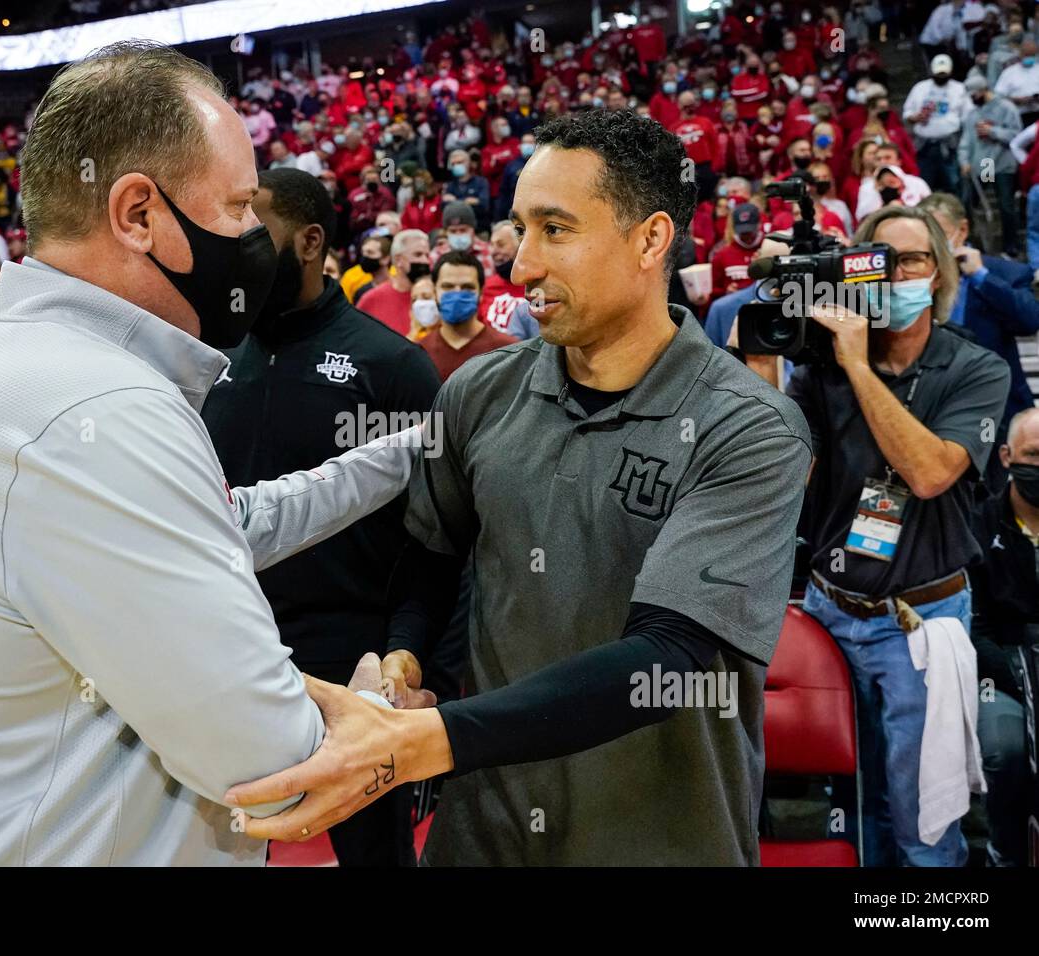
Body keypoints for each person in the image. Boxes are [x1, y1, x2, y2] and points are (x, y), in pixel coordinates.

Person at [0, 41, 418, 867]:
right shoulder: (98, 407)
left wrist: (419, 450)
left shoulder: (41, 367)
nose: (249, 237)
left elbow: (228, 522)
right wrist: (375, 702)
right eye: (237, 208)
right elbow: (274, 766)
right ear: (138, 215)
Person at [225, 109, 813, 866]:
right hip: (483, 831)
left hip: (661, 834)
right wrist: (404, 662)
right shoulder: (479, 392)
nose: (522, 266)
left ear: (651, 239)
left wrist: (428, 741)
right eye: (521, 230)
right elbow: (432, 558)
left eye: (555, 230)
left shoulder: (752, 429)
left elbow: (669, 656)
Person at [200, 168, 440, 866]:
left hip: (354, 663)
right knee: (222, 847)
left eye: (254, 225)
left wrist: (409, 652)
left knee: (375, 859)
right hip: (230, 652)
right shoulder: (208, 362)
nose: (236, 242)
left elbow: (436, 542)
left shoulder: (392, 365)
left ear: (308, 241)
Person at [784, 204, 1009, 866]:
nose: (898, 272)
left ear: (937, 271)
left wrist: (859, 367)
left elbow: (930, 472)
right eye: (881, 259)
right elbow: (784, 474)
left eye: (912, 259)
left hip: (921, 620)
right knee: (853, 804)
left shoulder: (977, 368)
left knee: (923, 819)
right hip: (830, 612)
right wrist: (767, 363)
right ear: (857, 272)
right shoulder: (820, 368)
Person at [921, 192, 1039, 490]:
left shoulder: (1003, 273)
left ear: (962, 230)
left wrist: (981, 276)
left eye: (940, 233)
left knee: (994, 496)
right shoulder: (914, 273)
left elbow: (1030, 319)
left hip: (997, 408)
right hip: (932, 403)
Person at [968, 406, 1039, 867]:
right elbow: (971, 625)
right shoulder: (978, 523)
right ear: (1008, 456)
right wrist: (1018, 676)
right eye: (1034, 454)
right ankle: (1006, 853)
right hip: (1000, 669)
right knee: (1008, 749)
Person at [417, 250, 517, 382]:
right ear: (435, 292)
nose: (457, 294)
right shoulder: (419, 353)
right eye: (448, 286)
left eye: (467, 287)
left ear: (481, 294)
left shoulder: (508, 351)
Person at [957, 75, 1022, 256]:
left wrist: (993, 131)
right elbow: (966, 141)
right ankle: (975, 242)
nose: (972, 99)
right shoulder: (973, 114)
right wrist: (964, 161)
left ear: (984, 91)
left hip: (1002, 162)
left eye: (975, 95)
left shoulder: (1006, 108)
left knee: (1005, 205)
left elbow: (1016, 135)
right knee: (971, 202)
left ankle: (1011, 244)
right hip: (984, 165)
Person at [904, 54, 970, 195]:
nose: (941, 76)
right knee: (925, 184)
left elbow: (967, 116)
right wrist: (915, 117)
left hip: (950, 143)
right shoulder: (920, 88)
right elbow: (907, 113)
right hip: (924, 145)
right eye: (938, 74)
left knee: (953, 184)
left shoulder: (959, 88)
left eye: (944, 74)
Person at [358, 228, 432, 336]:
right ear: (398, 260)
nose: (425, 261)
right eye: (418, 254)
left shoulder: (435, 297)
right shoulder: (371, 299)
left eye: (427, 255)